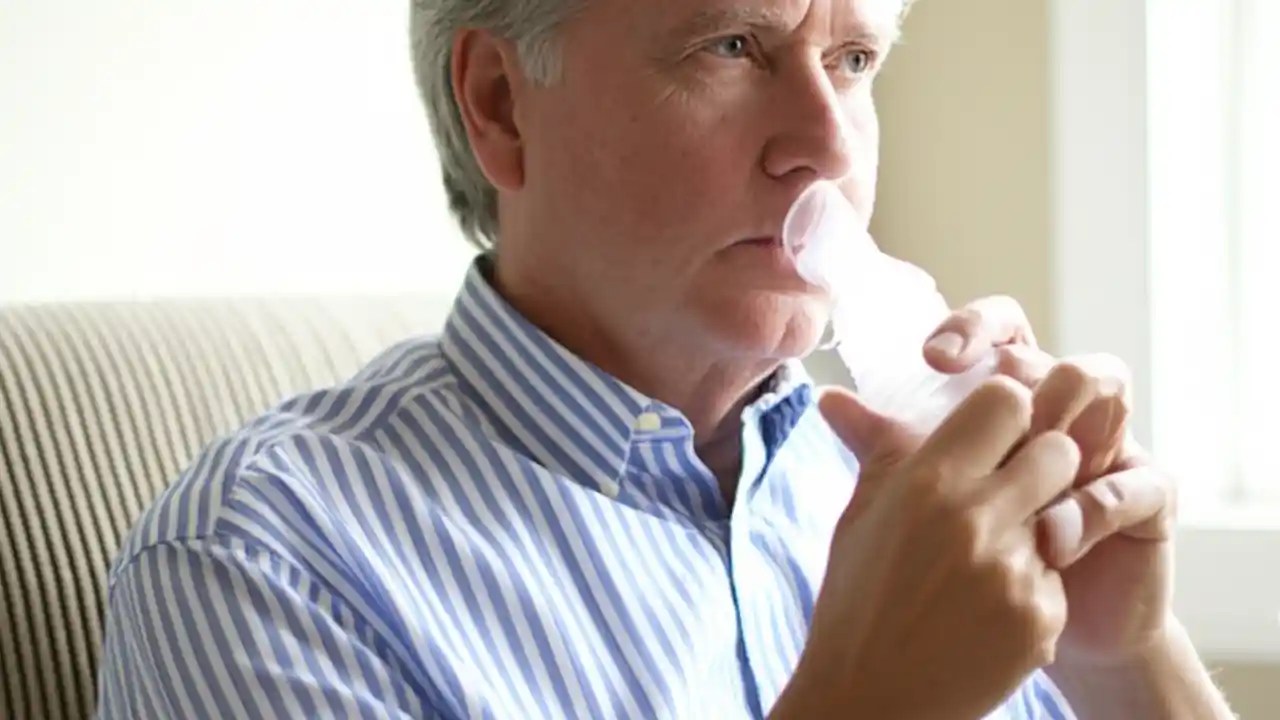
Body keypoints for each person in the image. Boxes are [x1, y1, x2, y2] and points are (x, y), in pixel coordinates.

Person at [96, 0, 1235, 717]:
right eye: (733, 45)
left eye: (851, 60)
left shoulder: (920, 501)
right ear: (499, 104)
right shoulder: (265, 562)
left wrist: (1124, 660)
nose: (825, 147)